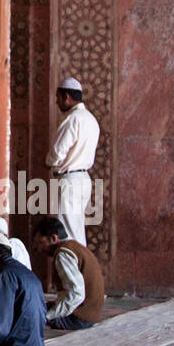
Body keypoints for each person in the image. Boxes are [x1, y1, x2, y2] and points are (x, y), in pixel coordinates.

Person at [46, 76, 100, 243]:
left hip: (69, 180)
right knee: (75, 230)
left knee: (65, 235)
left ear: (66, 97)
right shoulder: (91, 119)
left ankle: (73, 269)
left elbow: (58, 153)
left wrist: (48, 161)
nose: (57, 102)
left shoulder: (72, 120)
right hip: (82, 179)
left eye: (58, 97)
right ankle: (79, 268)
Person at [32, 217, 105, 331]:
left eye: (41, 242)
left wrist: (47, 317)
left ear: (54, 238)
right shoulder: (74, 246)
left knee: (31, 316)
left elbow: (76, 294)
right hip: (91, 314)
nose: (39, 248)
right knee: (40, 307)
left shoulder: (63, 255)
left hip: (81, 318)